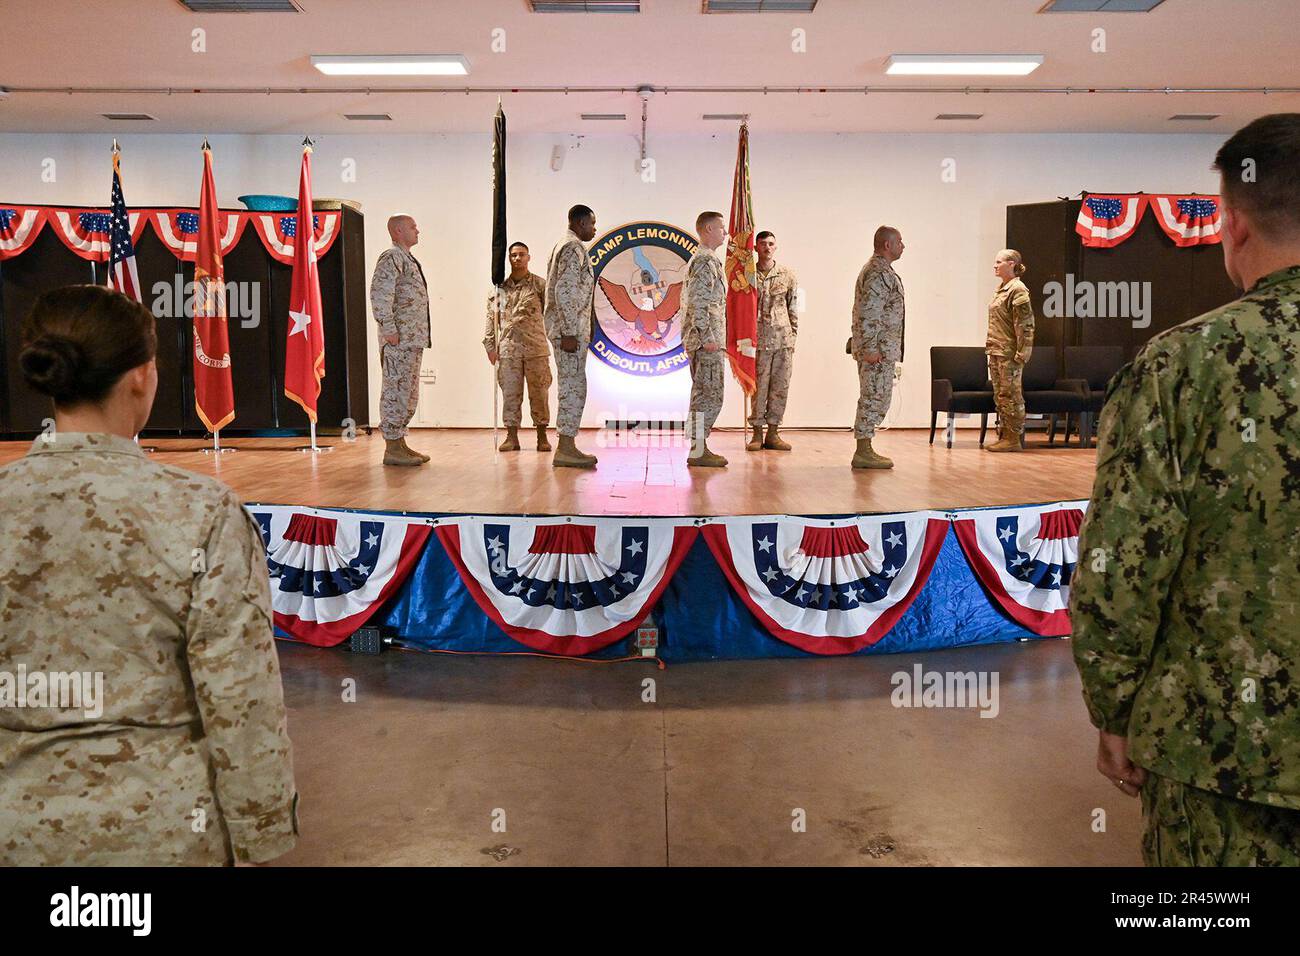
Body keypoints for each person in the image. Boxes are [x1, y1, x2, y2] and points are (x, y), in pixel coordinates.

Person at [1070, 112, 1300, 866]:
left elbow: (1122, 565)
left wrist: (1116, 705)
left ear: (1231, 226)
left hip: (1222, 755)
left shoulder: (1184, 365)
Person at [0, 285, 298, 866]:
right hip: (163, 837)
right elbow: (239, 698)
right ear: (141, 376)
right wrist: (261, 837)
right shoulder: (201, 512)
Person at [370, 214, 431, 467]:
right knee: (396, 390)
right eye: (413, 227)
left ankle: (400, 444)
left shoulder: (407, 258)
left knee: (408, 392)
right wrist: (388, 328)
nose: (418, 230)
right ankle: (392, 447)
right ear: (397, 231)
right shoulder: (391, 257)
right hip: (398, 339)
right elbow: (380, 294)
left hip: (411, 339)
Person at [484, 241, 552, 452]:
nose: (517, 258)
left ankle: (542, 436)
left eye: (522, 254)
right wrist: (489, 344)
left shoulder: (540, 285)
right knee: (510, 394)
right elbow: (491, 317)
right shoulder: (500, 289)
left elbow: (551, 313)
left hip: (536, 349)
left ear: (529, 257)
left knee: (540, 393)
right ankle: (511, 437)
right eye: (513, 255)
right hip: (509, 349)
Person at [544, 205, 599, 468]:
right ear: (579, 223)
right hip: (570, 333)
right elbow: (564, 292)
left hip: (573, 330)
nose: (594, 229)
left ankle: (568, 445)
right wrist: (568, 331)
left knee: (574, 386)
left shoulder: (566, 246)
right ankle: (565, 447)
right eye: (591, 224)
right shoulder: (572, 248)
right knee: (572, 388)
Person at [849, 226, 906, 469]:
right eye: (900, 242)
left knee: (879, 397)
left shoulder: (883, 271)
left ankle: (866, 448)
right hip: (877, 351)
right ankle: (863, 451)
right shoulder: (877, 273)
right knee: (873, 397)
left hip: (882, 348)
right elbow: (868, 313)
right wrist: (871, 347)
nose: (903, 246)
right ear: (887, 245)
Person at [683, 211, 729, 467]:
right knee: (708, 394)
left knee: (707, 393)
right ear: (708, 229)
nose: (725, 232)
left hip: (707, 339)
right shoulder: (704, 262)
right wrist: (707, 336)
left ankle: (698, 447)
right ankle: (698, 449)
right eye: (721, 228)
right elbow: (698, 303)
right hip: (706, 341)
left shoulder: (709, 260)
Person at [747, 230, 799, 452]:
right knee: (758, 388)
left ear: (775, 247)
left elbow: (793, 307)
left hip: (782, 341)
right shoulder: (748, 275)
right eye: (763, 244)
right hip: (758, 341)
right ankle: (757, 434)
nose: (767, 248)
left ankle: (774, 433)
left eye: (771, 244)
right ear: (756, 248)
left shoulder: (787, 274)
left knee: (780, 387)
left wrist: (793, 337)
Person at [984, 249, 1035, 452]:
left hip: (1009, 353)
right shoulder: (1001, 289)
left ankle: (1014, 437)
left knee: (1012, 394)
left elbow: (1025, 323)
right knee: (1001, 395)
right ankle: (1005, 435)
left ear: (1012, 263)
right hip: (996, 350)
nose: (995, 265)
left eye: (999, 262)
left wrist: (1023, 352)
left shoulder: (1018, 289)